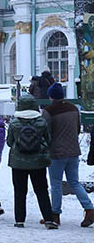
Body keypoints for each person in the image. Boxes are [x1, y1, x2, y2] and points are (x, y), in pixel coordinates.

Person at [42, 82, 94, 227]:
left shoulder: (49, 111)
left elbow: (45, 133)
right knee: (74, 182)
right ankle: (89, 208)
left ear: (51, 96)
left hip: (56, 153)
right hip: (73, 151)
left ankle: (55, 215)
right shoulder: (74, 109)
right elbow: (78, 128)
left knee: (56, 183)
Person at [6, 98, 59, 229]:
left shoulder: (14, 123)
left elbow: (9, 142)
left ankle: (19, 220)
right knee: (41, 190)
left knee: (19, 191)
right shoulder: (41, 122)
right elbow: (48, 139)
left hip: (18, 163)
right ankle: (48, 219)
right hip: (39, 162)